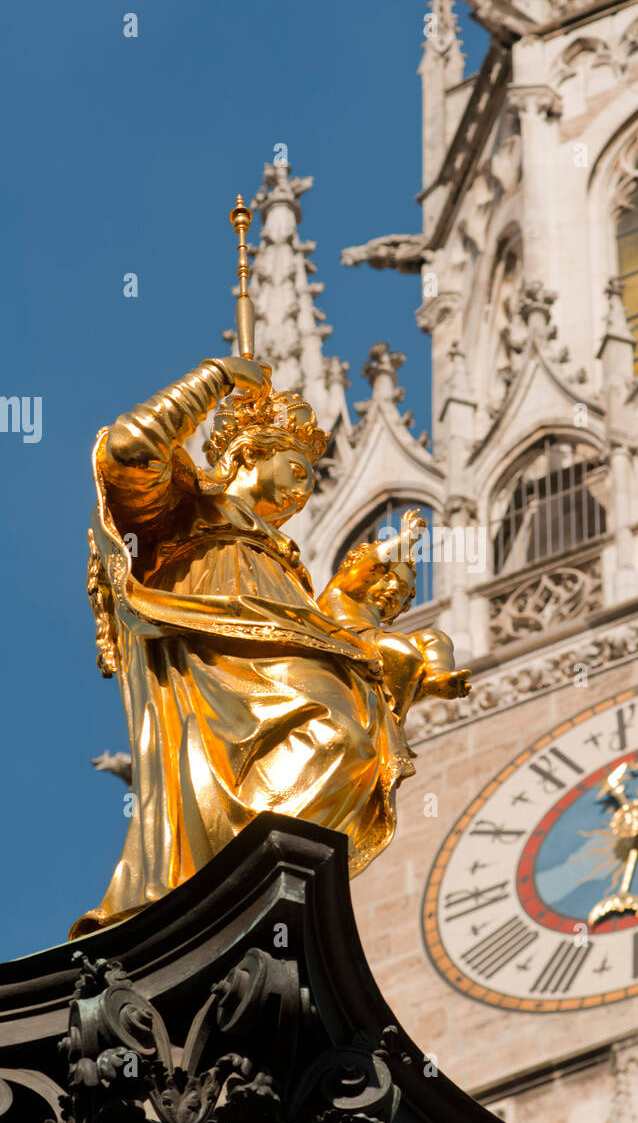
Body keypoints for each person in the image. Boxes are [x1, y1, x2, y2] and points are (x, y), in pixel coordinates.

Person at [71, 356, 415, 938]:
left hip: (274, 662)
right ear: (250, 453)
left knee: (353, 749)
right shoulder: (185, 506)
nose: (307, 485)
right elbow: (130, 444)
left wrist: (373, 607)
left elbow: (328, 624)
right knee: (338, 737)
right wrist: (217, 377)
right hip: (208, 676)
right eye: (299, 466)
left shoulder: (286, 561)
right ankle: (234, 890)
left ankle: (249, 890)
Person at [318, 510, 471, 722]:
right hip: (347, 644)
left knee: (434, 637)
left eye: (402, 592)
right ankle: (391, 720)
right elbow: (376, 561)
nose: (393, 591)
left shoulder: (381, 632)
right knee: (404, 652)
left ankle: (436, 677)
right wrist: (408, 538)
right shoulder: (344, 588)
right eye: (388, 578)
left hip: (376, 652)